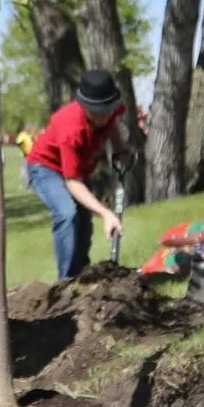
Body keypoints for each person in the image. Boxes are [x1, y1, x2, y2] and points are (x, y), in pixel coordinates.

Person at [24, 70, 129, 279]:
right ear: (85, 106)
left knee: (83, 224)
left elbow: (113, 125)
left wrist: (120, 150)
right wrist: (106, 213)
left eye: (107, 109)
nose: (105, 115)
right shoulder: (70, 128)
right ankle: (66, 282)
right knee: (67, 213)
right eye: (98, 111)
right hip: (46, 168)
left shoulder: (108, 113)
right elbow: (72, 182)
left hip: (78, 169)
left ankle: (81, 274)